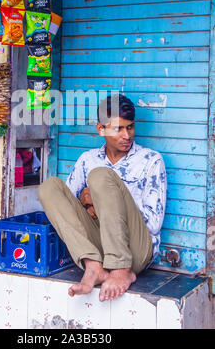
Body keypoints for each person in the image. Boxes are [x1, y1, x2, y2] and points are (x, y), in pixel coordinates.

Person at [38, 94, 167, 301]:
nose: (127, 135)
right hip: (99, 247)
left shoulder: (150, 160)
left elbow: (153, 224)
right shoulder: (87, 159)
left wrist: (103, 204)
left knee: (101, 176)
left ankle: (121, 270)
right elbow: (68, 213)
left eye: (130, 127)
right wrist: (84, 202)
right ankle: (93, 265)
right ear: (101, 129)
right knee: (48, 188)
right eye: (118, 129)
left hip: (134, 248)